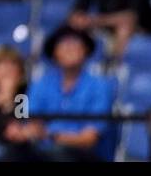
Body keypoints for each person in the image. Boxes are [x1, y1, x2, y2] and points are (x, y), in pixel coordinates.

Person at [11, 25, 115, 161]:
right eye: (63, 45)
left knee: (57, 154)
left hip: (83, 155)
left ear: (86, 51)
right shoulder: (41, 83)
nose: (69, 49)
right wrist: (29, 130)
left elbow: (89, 139)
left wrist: (50, 136)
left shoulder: (100, 86)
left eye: (75, 44)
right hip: (43, 150)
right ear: (54, 53)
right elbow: (29, 119)